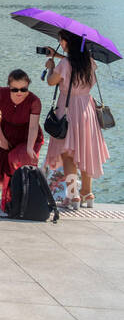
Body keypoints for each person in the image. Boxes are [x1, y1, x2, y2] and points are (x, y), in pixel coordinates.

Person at [45, 30, 110, 210]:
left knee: (68, 154)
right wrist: (58, 56)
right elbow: (80, 70)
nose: (60, 42)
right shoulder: (89, 62)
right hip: (86, 109)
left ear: (67, 43)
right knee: (85, 150)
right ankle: (87, 194)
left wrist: (51, 66)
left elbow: (51, 81)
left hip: (68, 109)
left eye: (61, 40)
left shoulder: (64, 63)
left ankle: (73, 196)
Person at [0, 68, 43, 209]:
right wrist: (1, 138)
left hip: (28, 136)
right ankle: (8, 202)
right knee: (6, 168)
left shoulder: (34, 101)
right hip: (7, 133)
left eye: (23, 89)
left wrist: (30, 147)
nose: (19, 93)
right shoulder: (1, 93)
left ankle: (25, 201)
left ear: (28, 86)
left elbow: (33, 127)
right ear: (9, 87)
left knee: (15, 159)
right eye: (15, 89)